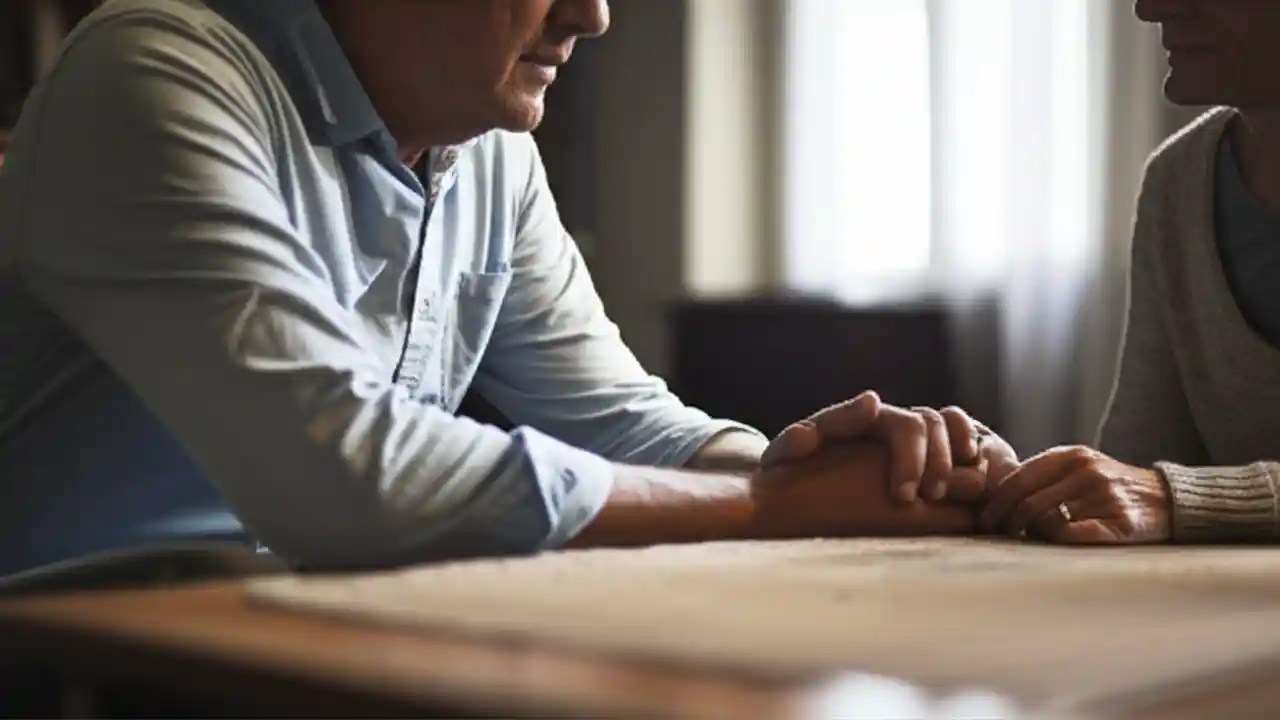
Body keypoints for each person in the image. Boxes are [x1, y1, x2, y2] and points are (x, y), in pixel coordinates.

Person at [0, 0, 1016, 576]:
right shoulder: (154, 74)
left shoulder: (484, 154)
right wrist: (774, 509)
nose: (594, 14)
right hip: (79, 659)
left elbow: (620, 423)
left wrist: (816, 471)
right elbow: (349, 483)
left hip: (311, 635)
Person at [980, 0, 1280, 545]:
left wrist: (1177, 498)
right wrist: (991, 481)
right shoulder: (1179, 182)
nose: (1151, 9)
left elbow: (1155, 490)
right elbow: (1138, 465)